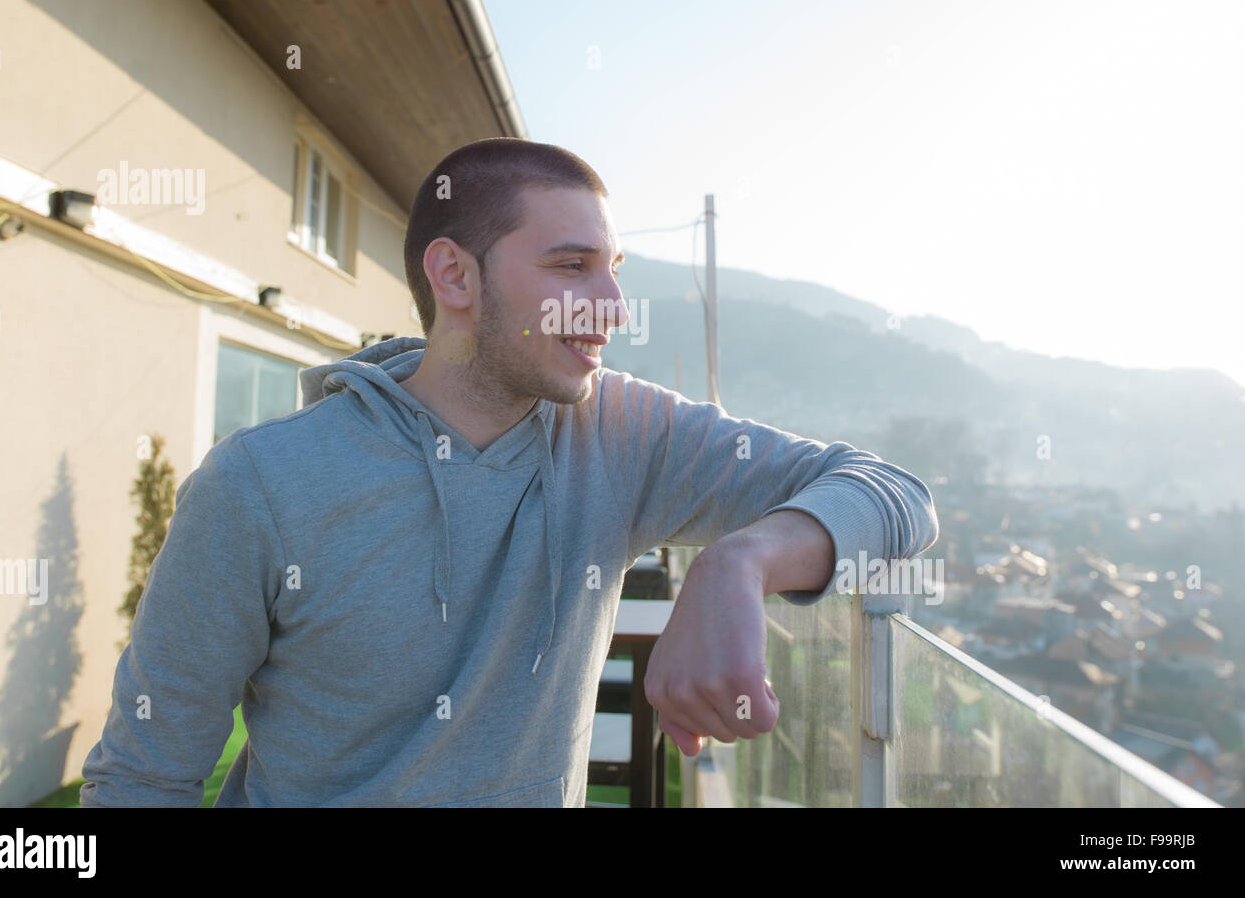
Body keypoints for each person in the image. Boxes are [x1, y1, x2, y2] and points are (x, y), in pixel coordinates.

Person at [79, 138, 939, 807]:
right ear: (455, 273)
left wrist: (737, 563)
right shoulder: (257, 485)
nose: (611, 305)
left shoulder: (620, 430)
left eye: (613, 268)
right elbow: (143, 776)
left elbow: (897, 494)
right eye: (572, 266)